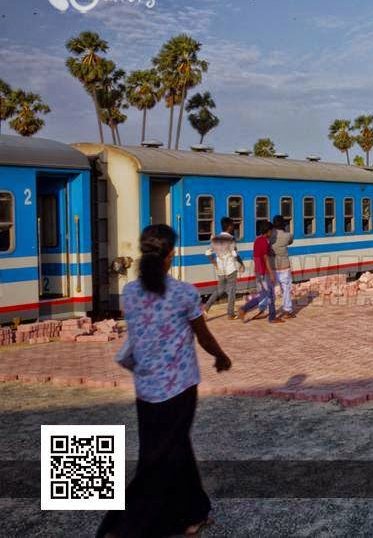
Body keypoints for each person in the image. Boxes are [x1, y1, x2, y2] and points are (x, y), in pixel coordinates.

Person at [96, 224, 231, 538]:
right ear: (170, 255)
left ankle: (195, 512)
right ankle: (125, 526)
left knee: (173, 448)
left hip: (146, 388)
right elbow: (204, 336)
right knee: (159, 458)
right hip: (180, 387)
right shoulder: (184, 293)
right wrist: (221, 357)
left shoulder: (130, 292)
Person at [240, 220, 283, 322]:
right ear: (268, 231)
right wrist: (271, 273)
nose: (272, 233)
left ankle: (244, 309)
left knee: (264, 294)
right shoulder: (264, 241)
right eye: (271, 231)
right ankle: (271, 317)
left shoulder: (257, 240)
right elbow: (265, 258)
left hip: (258, 271)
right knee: (270, 294)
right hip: (263, 272)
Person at [202, 217, 243, 319]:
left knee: (220, 290)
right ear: (229, 227)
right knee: (232, 290)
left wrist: (215, 262)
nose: (233, 227)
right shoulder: (231, 239)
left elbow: (207, 252)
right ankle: (230, 313)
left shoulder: (216, 239)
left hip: (220, 269)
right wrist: (241, 263)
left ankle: (206, 307)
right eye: (232, 225)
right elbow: (234, 254)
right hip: (230, 268)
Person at [270, 214, 295, 319]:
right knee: (286, 289)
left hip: (273, 266)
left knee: (272, 290)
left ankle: (270, 310)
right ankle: (287, 310)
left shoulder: (270, 236)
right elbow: (290, 242)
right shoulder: (288, 235)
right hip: (284, 266)